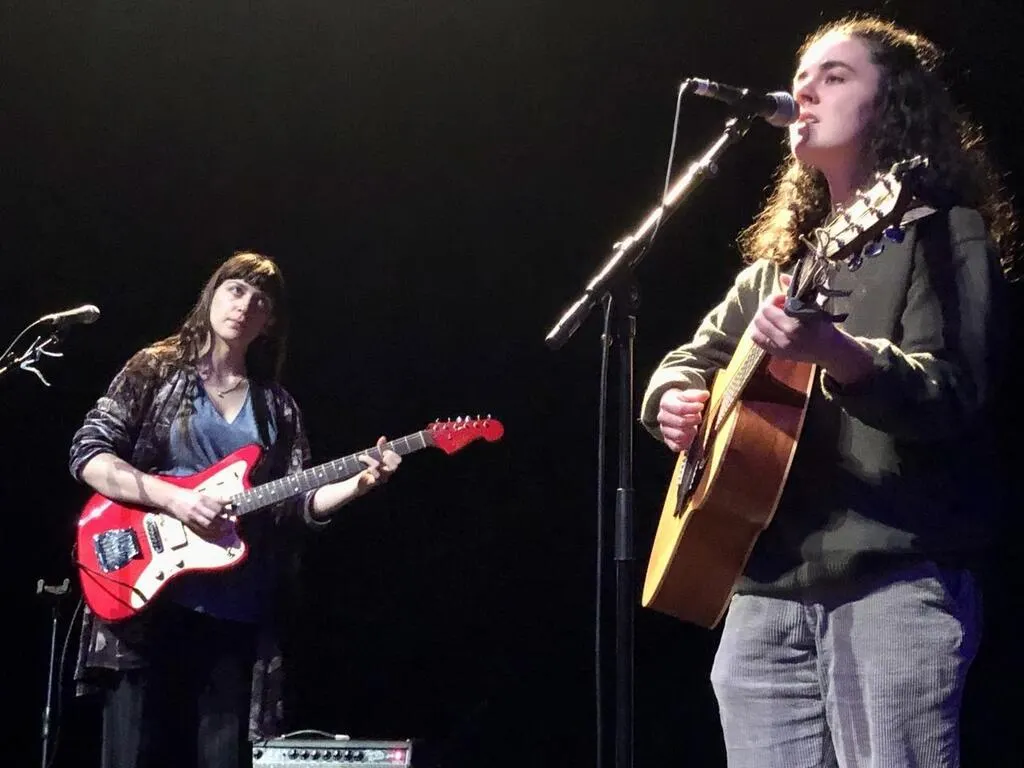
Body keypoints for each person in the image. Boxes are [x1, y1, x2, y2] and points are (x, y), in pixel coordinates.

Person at [640, 15, 1017, 768]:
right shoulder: (770, 276)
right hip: (761, 595)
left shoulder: (943, 236)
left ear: (891, 106)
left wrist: (841, 355)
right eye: (802, 75)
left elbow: (955, 394)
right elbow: (688, 360)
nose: (803, 91)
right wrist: (674, 399)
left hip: (892, 585)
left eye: (834, 77)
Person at [69, 251, 402, 768]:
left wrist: (357, 484)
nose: (245, 305)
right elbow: (90, 454)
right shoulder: (156, 369)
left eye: (260, 300)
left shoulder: (276, 408)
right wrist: (174, 497)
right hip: (146, 604)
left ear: (269, 323)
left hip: (232, 617)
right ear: (212, 295)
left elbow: (296, 503)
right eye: (236, 289)